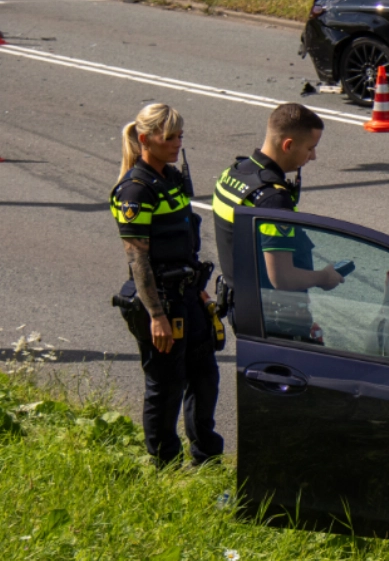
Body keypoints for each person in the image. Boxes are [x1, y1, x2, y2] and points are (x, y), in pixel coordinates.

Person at [110, 103, 223, 468]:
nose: (177, 143)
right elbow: (138, 260)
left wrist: (201, 290)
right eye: (169, 137)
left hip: (188, 296)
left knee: (204, 379)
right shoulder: (135, 191)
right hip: (161, 304)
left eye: (180, 136)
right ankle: (164, 467)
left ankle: (206, 460)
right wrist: (156, 314)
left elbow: (185, 240)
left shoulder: (170, 178)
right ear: (145, 139)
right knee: (166, 388)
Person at [211, 103, 343, 339]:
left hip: (243, 306)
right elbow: (281, 277)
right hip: (274, 321)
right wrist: (324, 277)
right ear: (288, 145)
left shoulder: (233, 173)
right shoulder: (272, 199)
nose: (313, 156)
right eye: (310, 148)